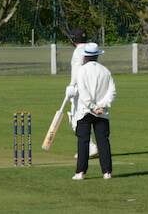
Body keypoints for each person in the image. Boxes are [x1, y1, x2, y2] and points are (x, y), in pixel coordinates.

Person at [72, 44, 116, 180]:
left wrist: (92, 106)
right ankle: (107, 172)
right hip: (102, 112)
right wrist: (101, 105)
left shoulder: (82, 71)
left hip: (85, 111)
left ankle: (81, 172)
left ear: (86, 56)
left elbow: (83, 91)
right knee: (103, 141)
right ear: (97, 55)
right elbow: (112, 92)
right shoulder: (106, 71)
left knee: (83, 141)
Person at [65, 27, 98, 159]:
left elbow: (77, 70)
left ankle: (89, 147)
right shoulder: (91, 49)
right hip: (94, 87)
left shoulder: (78, 51)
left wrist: (72, 86)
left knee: (77, 119)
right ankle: (90, 146)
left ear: (73, 39)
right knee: (90, 116)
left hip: (80, 88)